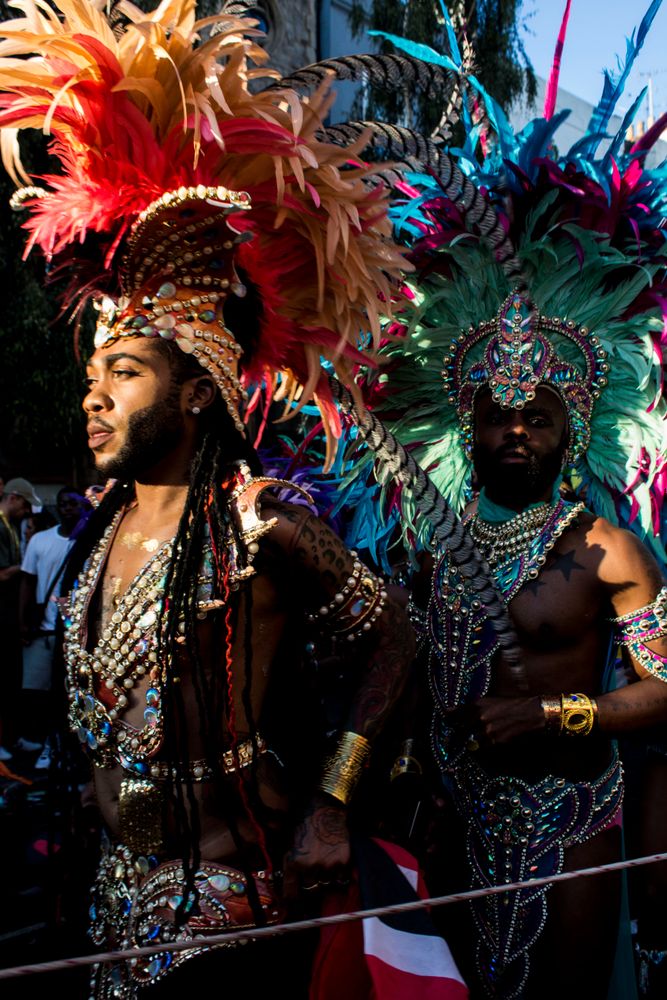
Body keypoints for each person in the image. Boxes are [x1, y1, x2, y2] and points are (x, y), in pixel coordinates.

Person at [0, 1, 414, 995]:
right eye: (94, 371)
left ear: (197, 392)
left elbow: (392, 632)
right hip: (106, 893)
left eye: (126, 372)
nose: (94, 393)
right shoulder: (98, 530)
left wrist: (332, 804)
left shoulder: (256, 522)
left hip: (226, 905)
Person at [325, 6, 667, 998]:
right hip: (441, 826)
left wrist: (557, 714)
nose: (515, 430)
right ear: (466, 422)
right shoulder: (420, 538)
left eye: (538, 416)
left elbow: (662, 686)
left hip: (565, 829)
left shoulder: (609, 547)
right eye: (497, 413)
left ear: (575, 428)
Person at [17, 487, 84, 756]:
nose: (66, 508)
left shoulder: (90, 542)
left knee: (67, 694)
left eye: (72, 503)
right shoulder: (41, 541)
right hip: (44, 630)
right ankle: (42, 744)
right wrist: (23, 621)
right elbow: (27, 580)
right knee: (37, 691)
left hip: (74, 633)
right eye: (62, 504)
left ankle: (64, 749)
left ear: (83, 506)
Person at [0, 477, 42, 761]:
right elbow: (1, 574)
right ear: (13, 498)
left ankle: (11, 739)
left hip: (7, 615)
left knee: (9, 680)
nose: (28, 512)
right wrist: (28, 563)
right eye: (26, 505)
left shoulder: (11, 527)